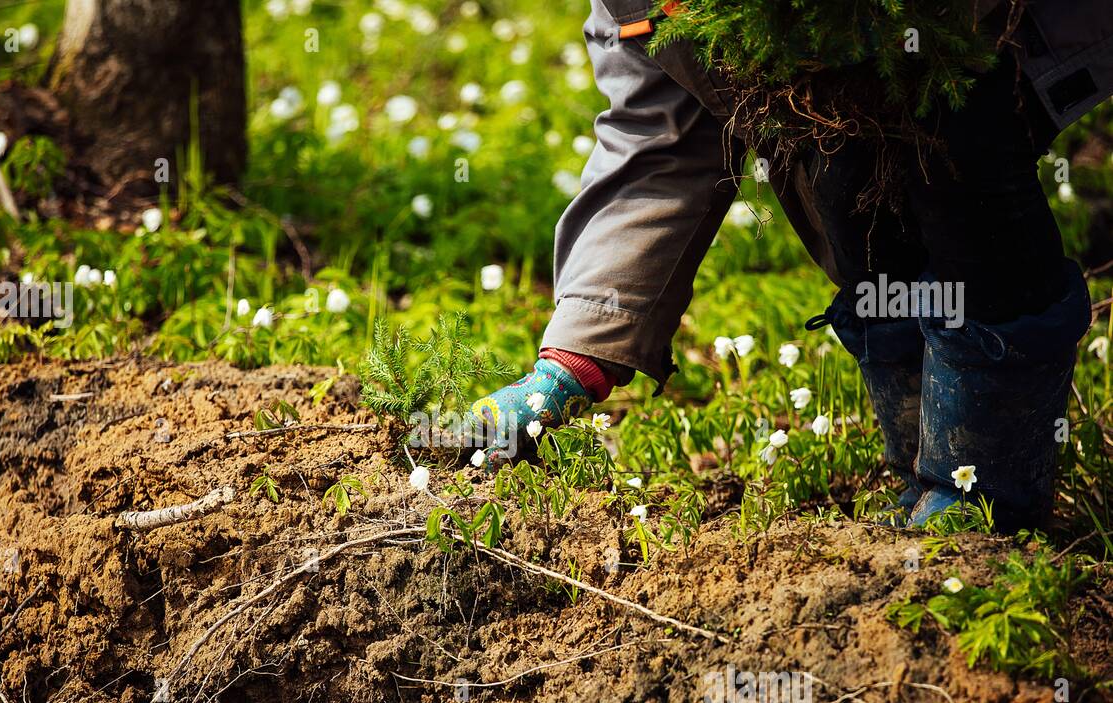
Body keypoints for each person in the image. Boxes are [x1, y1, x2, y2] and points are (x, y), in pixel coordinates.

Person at [466, 0, 1112, 531]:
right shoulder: (632, 5)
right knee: (842, 175)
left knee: (955, 161)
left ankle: (986, 505)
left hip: (973, 35)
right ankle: (927, 476)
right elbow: (656, 138)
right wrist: (576, 357)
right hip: (843, 95)